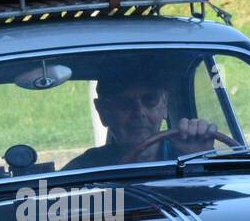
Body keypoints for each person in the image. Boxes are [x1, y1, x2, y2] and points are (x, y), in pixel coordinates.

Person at [63, 69, 222, 170]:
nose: (139, 112)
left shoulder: (192, 154)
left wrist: (201, 162)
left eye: (150, 100)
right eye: (124, 104)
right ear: (103, 112)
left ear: (164, 104)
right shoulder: (84, 170)